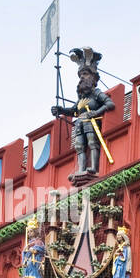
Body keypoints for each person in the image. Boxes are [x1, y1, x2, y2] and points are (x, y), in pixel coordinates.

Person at [51, 47, 115, 179]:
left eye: (85, 74)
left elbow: (109, 104)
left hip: (90, 121)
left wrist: (96, 112)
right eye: (80, 75)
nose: (81, 78)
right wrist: (60, 110)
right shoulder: (81, 98)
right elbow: (74, 110)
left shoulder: (96, 93)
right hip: (80, 122)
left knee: (92, 143)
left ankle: (94, 167)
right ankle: (81, 169)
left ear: (93, 77)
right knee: (79, 146)